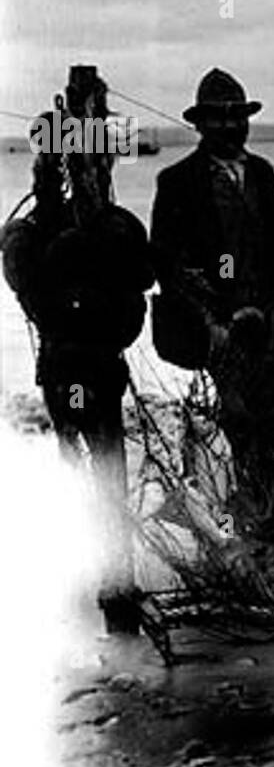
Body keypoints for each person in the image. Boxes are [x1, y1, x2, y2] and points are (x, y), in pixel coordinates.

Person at [0, 66, 152, 634]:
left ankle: (108, 595)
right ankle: (100, 593)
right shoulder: (38, 235)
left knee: (96, 477)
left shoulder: (102, 229)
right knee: (92, 476)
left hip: (86, 366)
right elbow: (39, 290)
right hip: (74, 368)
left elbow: (133, 290)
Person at [150, 69, 274, 544]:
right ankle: (242, 527)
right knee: (238, 423)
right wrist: (218, 314)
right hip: (218, 329)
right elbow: (168, 261)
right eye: (218, 120)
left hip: (269, 322)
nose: (229, 127)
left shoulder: (261, 172)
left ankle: (273, 522)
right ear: (199, 126)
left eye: (236, 118)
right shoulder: (177, 181)